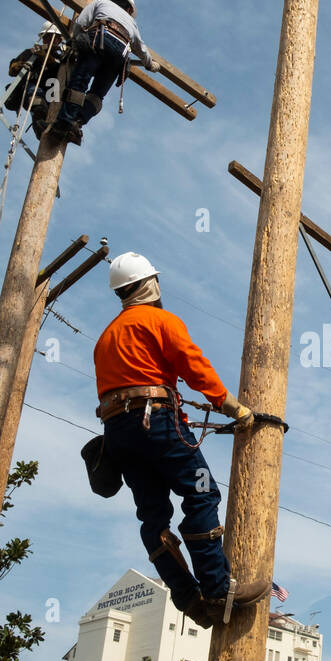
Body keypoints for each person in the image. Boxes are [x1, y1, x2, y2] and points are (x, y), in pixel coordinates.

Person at [93, 251, 267, 629]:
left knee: (153, 515)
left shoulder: (105, 338)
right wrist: (232, 406)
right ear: (151, 284)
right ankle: (219, 589)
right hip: (156, 423)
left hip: (119, 435)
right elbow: (194, 365)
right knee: (202, 491)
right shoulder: (161, 321)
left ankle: (189, 599)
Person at [58, 0, 158, 142]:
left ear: (114, 0)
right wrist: (150, 64)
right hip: (119, 55)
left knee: (79, 81)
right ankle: (78, 122)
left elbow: (80, 22)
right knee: (97, 95)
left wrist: (76, 40)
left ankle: (65, 122)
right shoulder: (132, 23)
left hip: (100, 40)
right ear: (130, 9)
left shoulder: (101, 3)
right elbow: (140, 47)